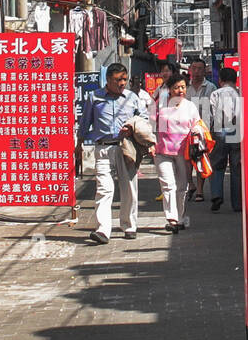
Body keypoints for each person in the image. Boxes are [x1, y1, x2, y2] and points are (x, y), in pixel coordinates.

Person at [76, 63, 144, 243]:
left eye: (124, 79)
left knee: (129, 187)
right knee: (104, 189)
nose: (122, 83)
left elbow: (143, 119)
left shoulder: (132, 98)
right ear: (108, 80)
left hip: (126, 147)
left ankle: (129, 225)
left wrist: (133, 128)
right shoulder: (94, 97)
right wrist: (79, 143)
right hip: (103, 147)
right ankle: (103, 230)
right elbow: (85, 122)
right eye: (117, 80)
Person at [153, 74, 198, 232]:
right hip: (162, 151)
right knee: (168, 185)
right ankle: (172, 219)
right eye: (176, 87)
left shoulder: (190, 106)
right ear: (169, 89)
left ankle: (180, 217)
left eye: (183, 87)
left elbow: (197, 124)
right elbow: (150, 124)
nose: (180, 90)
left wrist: (197, 133)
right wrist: (151, 143)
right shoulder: (160, 105)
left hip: (183, 153)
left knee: (182, 187)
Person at [208, 66, 242, 212]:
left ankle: (217, 195)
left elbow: (211, 114)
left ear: (220, 80)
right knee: (237, 168)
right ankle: (238, 203)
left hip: (220, 131)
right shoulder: (240, 92)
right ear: (235, 80)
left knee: (217, 165)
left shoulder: (215, 94)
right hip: (238, 132)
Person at [184, 57, 216, 202]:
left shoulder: (211, 88)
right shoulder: (185, 87)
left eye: (199, 69)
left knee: (200, 157)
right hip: (185, 129)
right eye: (194, 68)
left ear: (205, 71)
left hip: (204, 129)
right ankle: (190, 184)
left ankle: (200, 191)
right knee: (186, 159)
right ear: (190, 70)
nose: (196, 72)